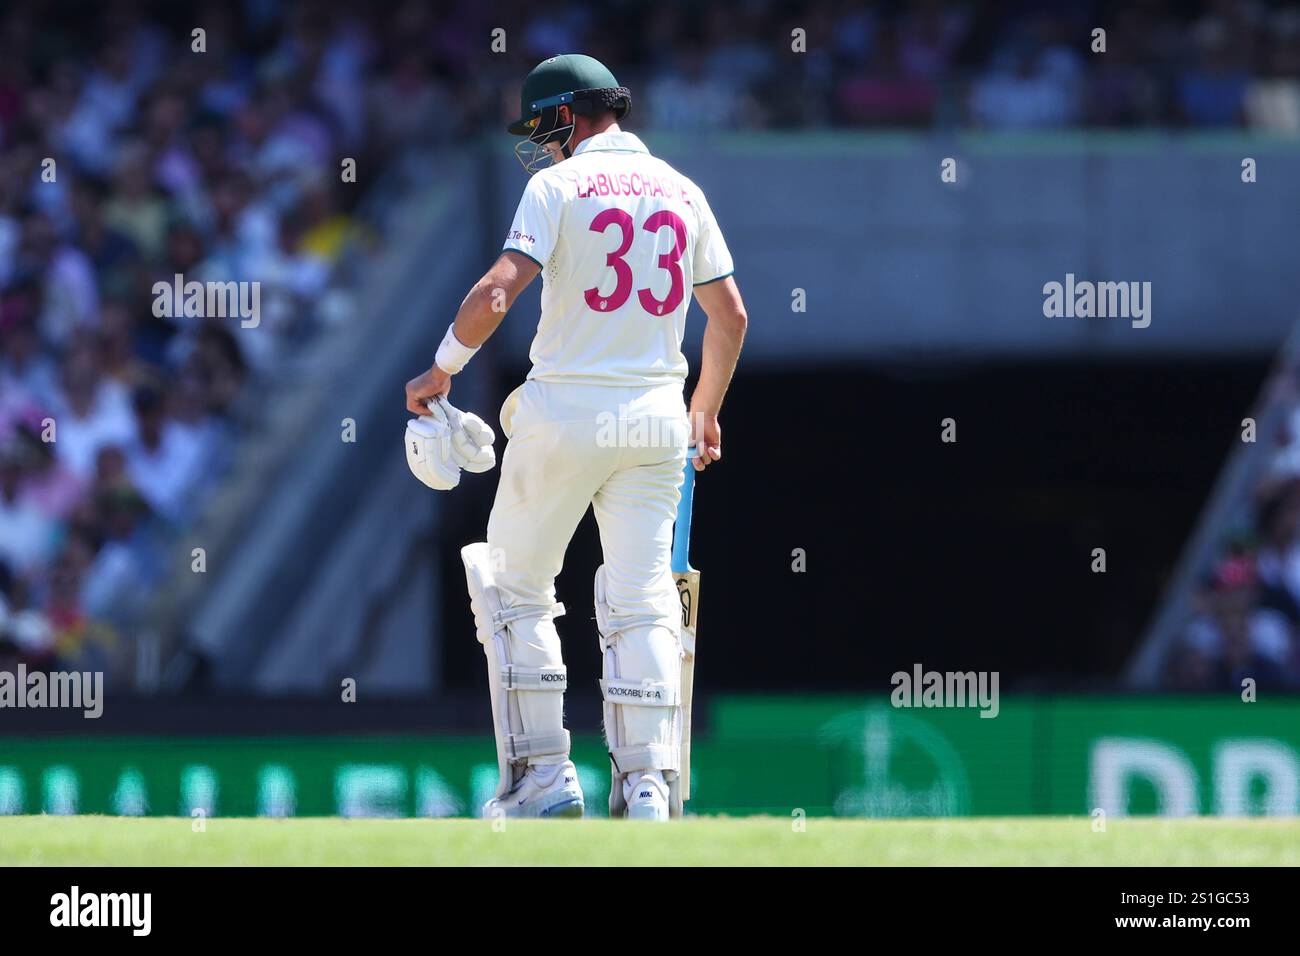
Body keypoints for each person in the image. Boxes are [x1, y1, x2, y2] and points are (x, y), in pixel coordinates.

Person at [404, 54, 748, 820]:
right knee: (641, 603)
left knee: (513, 586)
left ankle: (543, 779)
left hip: (565, 411)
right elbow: (730, 315)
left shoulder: (555, 187)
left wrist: (442, 368)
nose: (536, 142)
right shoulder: (682, 190)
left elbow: (498, 290)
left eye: (541, 125)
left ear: (567, 115)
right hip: (658, 418)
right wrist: (706, 408)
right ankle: (648, 783)